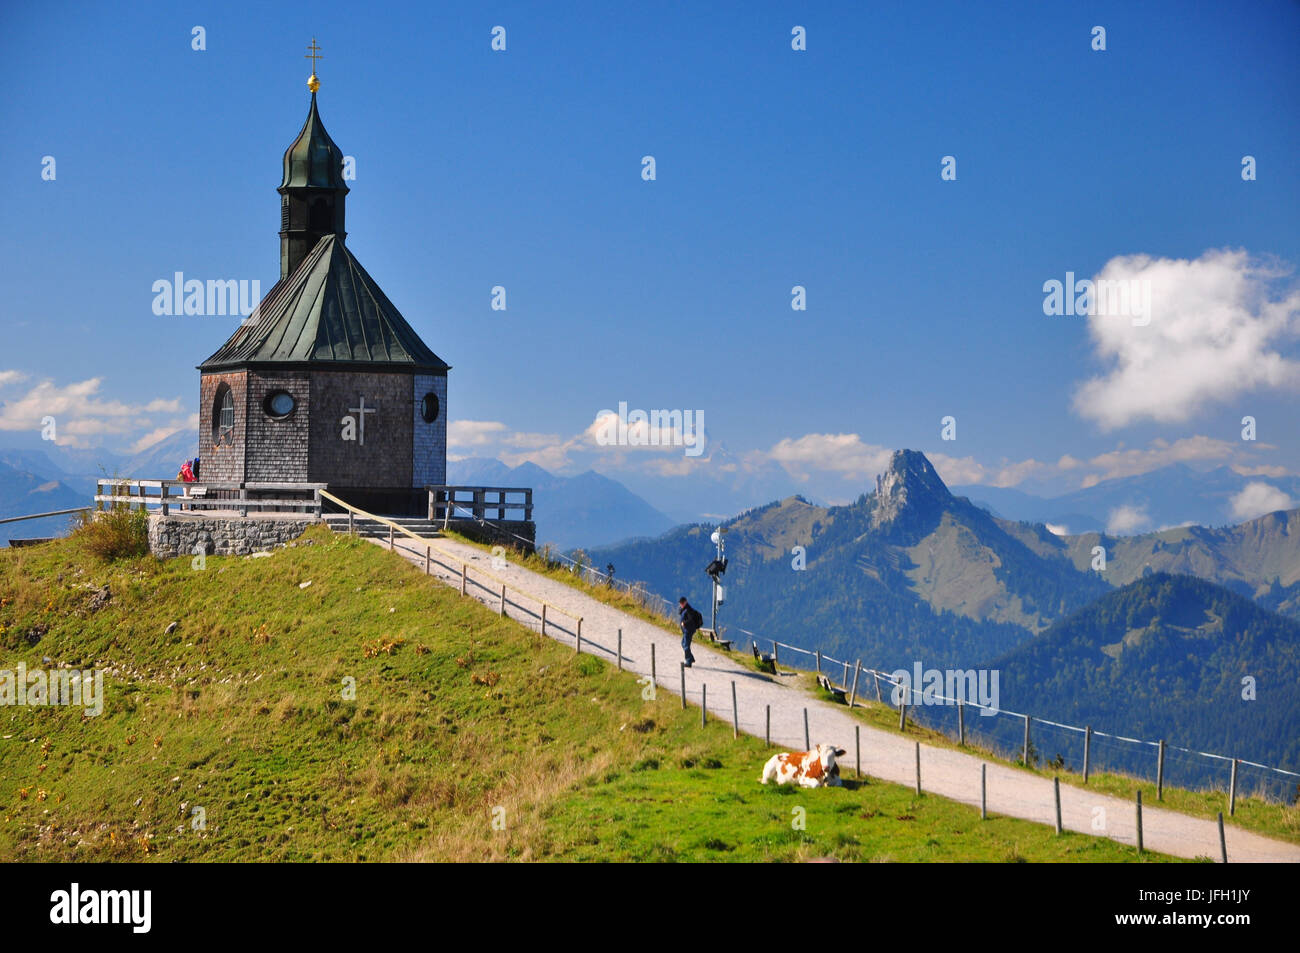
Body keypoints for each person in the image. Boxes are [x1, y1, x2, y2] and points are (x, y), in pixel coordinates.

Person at [678, 596, 702, 667]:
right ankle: (691, 658)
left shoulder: (689, 610)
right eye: (680, 603)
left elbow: (690, 619)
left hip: (689, 630)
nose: (681, 604)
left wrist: (684, 623)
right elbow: (681, 613)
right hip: (686, 630)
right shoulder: (684, 609)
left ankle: (688, 662)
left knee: (686, 645)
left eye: (682, 603)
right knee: (683, 643)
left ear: (685, 602)